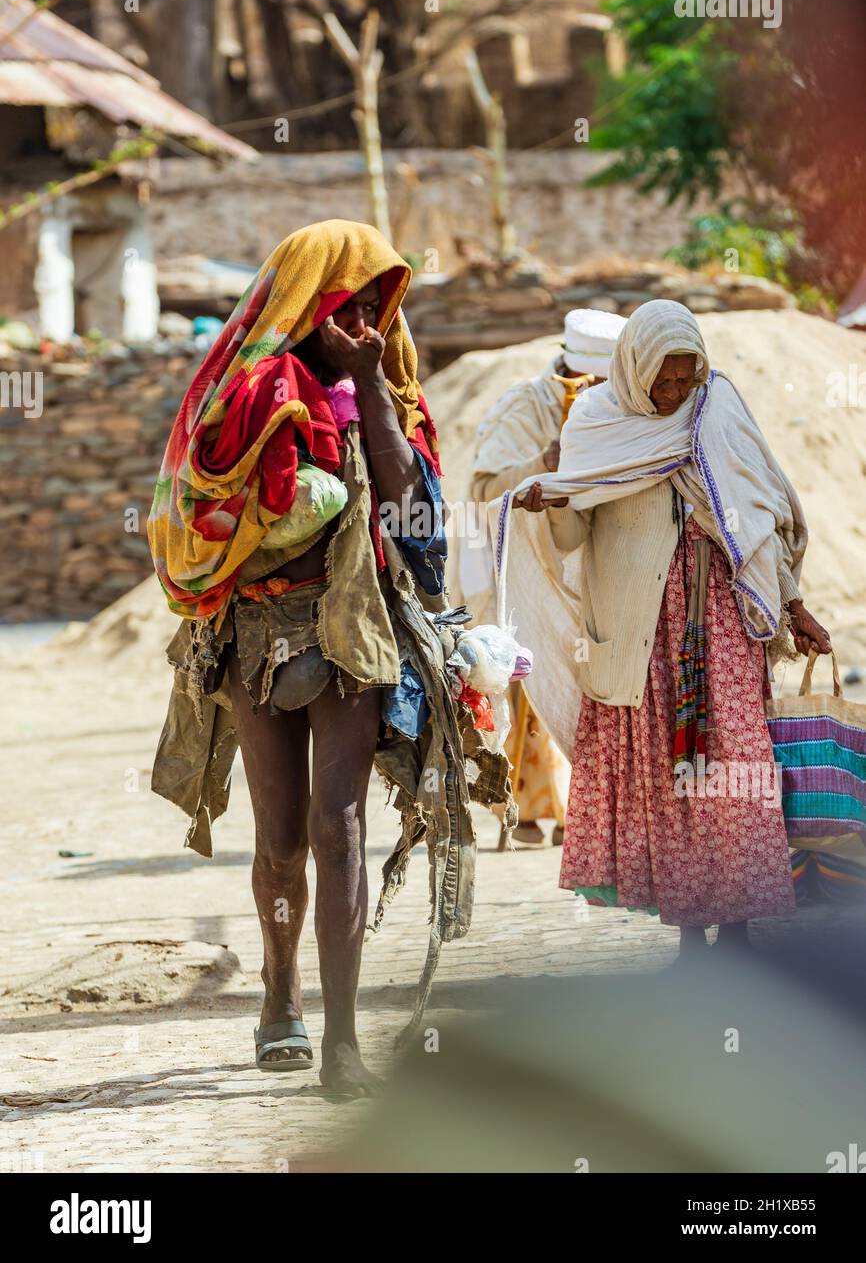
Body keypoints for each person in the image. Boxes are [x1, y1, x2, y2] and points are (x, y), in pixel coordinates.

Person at [147, 220, 509, 1093]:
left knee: (336, 829)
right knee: (278, 839)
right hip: (259, 634)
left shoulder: (386, 386)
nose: (367, 319)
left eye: (379, 303)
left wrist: (369, 386)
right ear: (306, 301)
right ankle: (281, 998)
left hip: (353, 630)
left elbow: (412, 513)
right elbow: (205, 488)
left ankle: (341, 1038)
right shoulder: (246, 388)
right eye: (349, 302)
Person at [502, 299, 831, 962]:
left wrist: (793, 606)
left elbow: (757, 521)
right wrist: (554, 497)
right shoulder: (597, 424)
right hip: (641, 633)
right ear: (634, 369)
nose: (676, 393)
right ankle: (691, 936)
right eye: (665, 381)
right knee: (672, 780)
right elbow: (573, 530)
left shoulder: (720, 412)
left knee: (736, 769)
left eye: (686, 378)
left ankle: (736, 930)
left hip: (724, 623)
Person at [464, 309, 625, 848]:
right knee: (534, 682)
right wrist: (545, 460)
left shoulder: (634, 406)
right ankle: (530, 809)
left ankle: (595, 806)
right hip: (529, 572)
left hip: (605, 570)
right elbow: (484, 486)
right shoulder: (526, 406)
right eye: (594, 385)